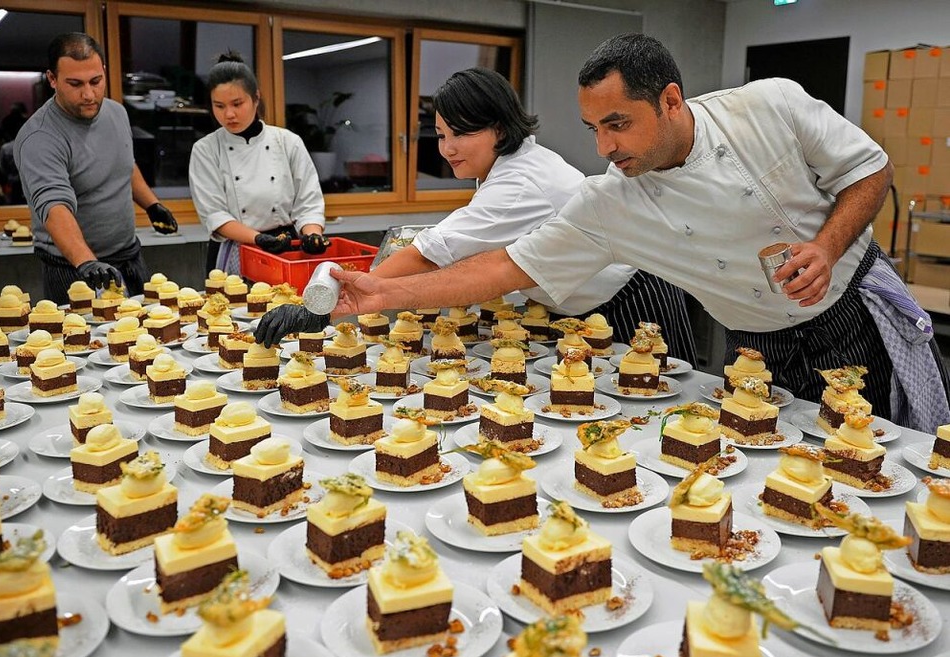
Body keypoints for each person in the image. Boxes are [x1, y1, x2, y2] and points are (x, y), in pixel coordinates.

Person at [328, 34, 950, 432]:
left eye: (618, 124)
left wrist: (827, 246)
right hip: (755, 344)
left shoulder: (769, 107)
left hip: (848, 314)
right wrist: (383, 294)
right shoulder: (611, 201)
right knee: (778, 470)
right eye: (593, 128)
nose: (604, 147)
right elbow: (504, 267)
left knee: (876, 456)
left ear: (671, 100)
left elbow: (869, 169)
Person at [257, 67, 697, 363]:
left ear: (499, 129)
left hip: (630, 302)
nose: (447, 149)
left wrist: (324, 307)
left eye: (461, 134)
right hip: (579, 303)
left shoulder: (519, 182)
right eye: (440, 135)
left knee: (662, 408)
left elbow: (431, 253)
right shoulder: (506, 165)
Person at [14, 33, 177, 303]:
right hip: (75, 267)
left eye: (95, 81)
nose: (88, 94)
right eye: (75, 84)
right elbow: (54, 207)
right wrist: (86, 261)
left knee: (150, 328)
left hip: (129, 256)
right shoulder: (39, 137)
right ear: (52, 79)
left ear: (104, 72)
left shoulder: (116, 112)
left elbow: (125, 164)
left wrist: (151, 204)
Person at [189, 51, 328, 277]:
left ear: (256, 97)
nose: (229, 114)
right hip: (233, 250)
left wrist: (312, 234)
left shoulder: (287, 142)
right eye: (219, 106)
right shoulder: (206, 149)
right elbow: (215, 214)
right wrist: (258, 239)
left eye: (237, 103)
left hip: (286, 248)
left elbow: (308, 202)